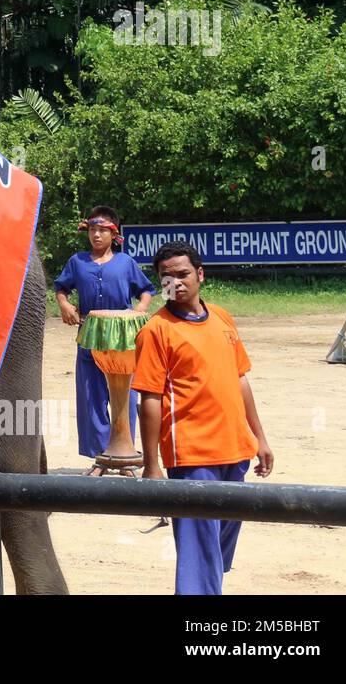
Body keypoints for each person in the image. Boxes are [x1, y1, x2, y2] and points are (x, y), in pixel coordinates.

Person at [133, 240, 275, 595]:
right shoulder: (156, 331)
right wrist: (151, 463)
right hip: (193, 457)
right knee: (199, 559)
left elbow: (239, 378)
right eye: (167, 277)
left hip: (236, 452)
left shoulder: (223, 318)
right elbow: (149, 398)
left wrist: (259, 437)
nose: (176, 283)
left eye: (183, 274)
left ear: (200, 275)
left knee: (217, 554)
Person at [54, 205, 153, 470]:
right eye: (92, 230)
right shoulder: (77, 262)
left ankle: (124, 455)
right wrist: (64, 305)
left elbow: (146, 290)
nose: (96, 236)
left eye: (102, 231)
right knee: (91, 397)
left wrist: (139, 310)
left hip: (122, 337)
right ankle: (101, 457)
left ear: (114, 234)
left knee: (126, 397)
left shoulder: (126, 262)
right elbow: (61, 288)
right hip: (89, 334)